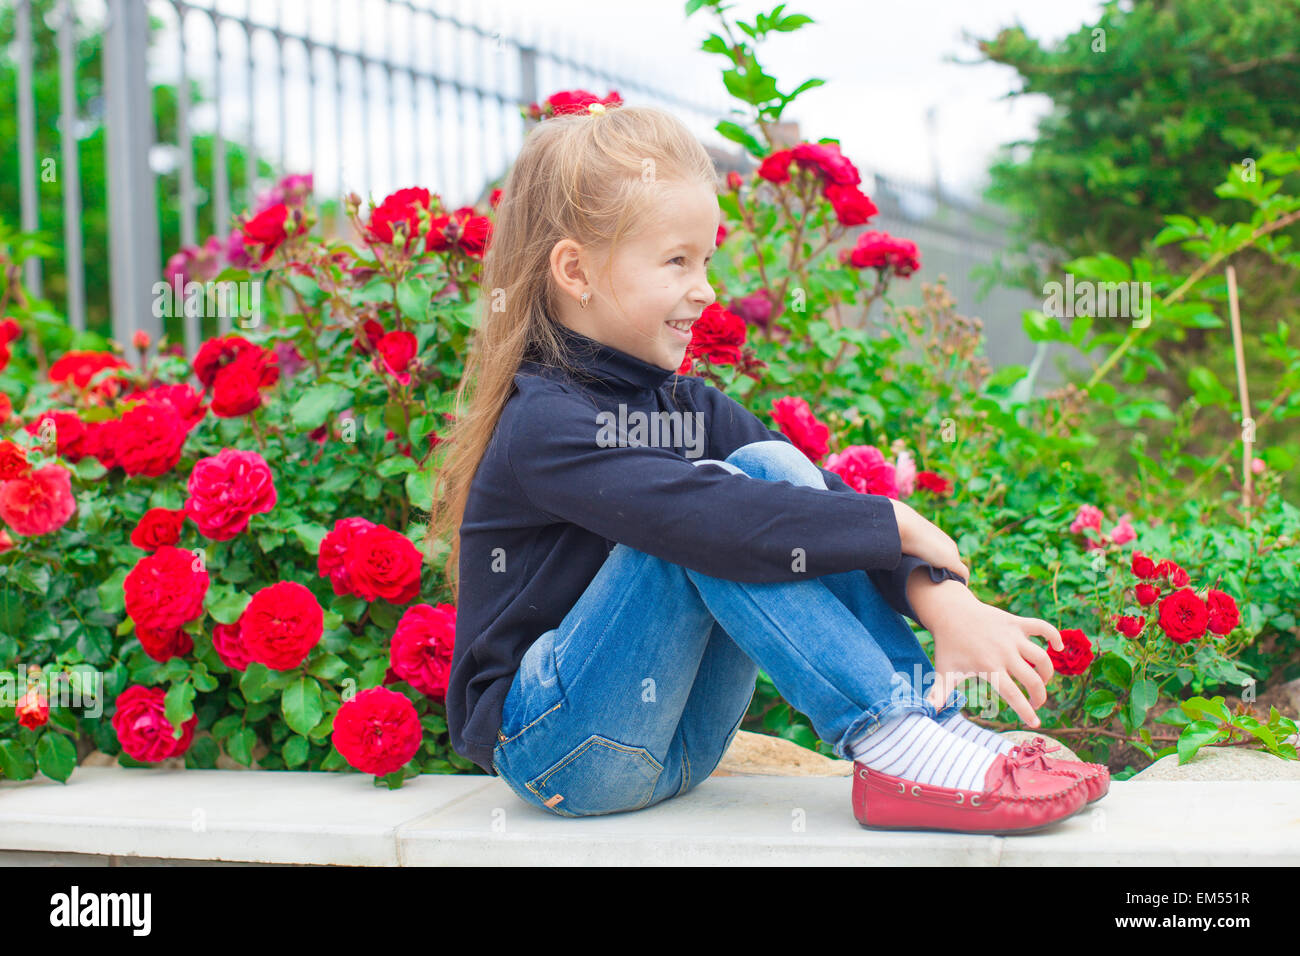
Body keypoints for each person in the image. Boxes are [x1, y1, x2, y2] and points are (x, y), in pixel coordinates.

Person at [426, 101, 1107, 835]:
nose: (706, 289)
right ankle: (894, 744)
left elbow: (819, 504)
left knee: (772, 466)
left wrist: (944, 602)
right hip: (560, 751)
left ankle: (925, 726)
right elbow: (720, 521)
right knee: (717, 511)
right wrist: (896, 518)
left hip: (682, 743)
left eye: (708, 260)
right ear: (575, 270)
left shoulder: (687, 407)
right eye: (677, 261)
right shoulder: (543, 425)